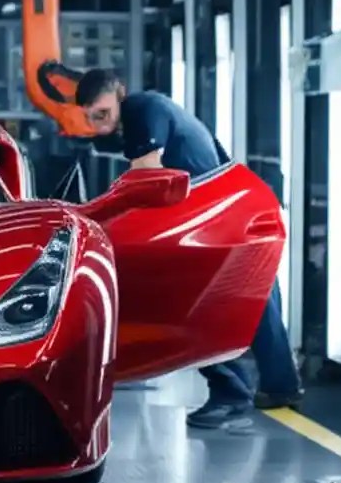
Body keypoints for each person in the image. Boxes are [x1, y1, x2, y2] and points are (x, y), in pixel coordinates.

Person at [76, 69, 304, 430]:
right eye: (91, 119)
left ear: (120, 94)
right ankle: (282, 386)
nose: (99, 126)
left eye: (102, 115)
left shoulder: (143, 111)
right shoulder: (147, 109)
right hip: (231, 204)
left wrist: (99, 216)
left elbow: (144, 179)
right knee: (261, 301)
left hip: (214, 216)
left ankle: (232, 392)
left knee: (197, 302)